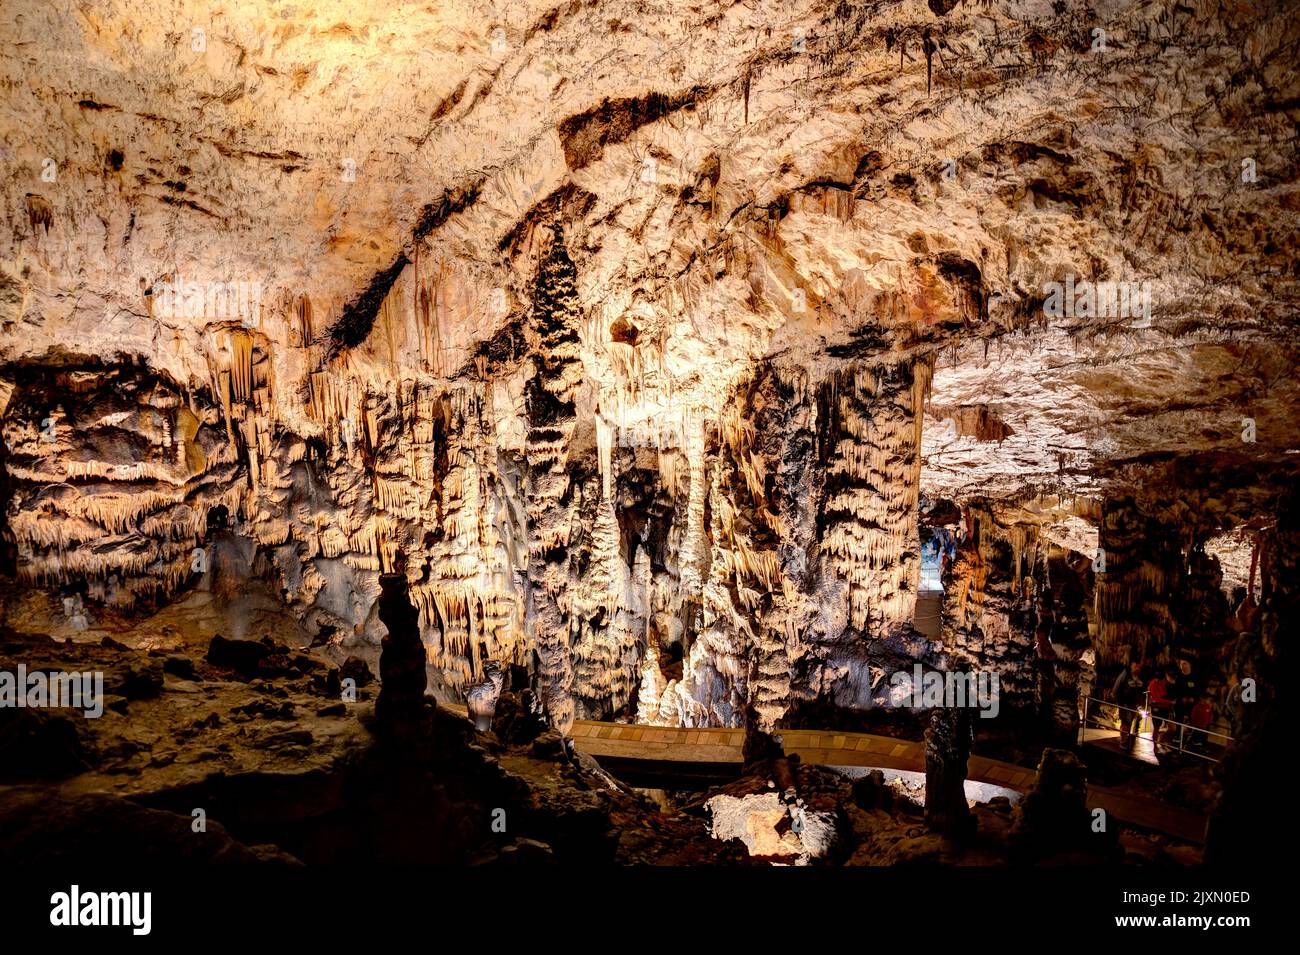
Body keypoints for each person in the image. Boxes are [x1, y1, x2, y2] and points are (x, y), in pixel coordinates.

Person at [1111, 660, 1145, 752]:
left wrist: (1142, 704)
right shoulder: (1125, 675)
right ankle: (1123, 741)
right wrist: (1115, 696)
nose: (1137, 668)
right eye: (1135, 666)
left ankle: (1130, 741)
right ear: (1131, 666)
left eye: (1139, 666)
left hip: (1135, 704)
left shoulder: (1140, 677)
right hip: (1125, 702)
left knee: (1133, 723)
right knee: (1125, 722)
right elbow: (1117, 685)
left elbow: (1142, 691)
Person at [1147, 667, 1176, 751]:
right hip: (1157, 707)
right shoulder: (1153, 683)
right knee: (1156, 727)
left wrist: (1170, 703)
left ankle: (1161, 741)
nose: (1159, 680)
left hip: (1166, 707)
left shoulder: (1165, 682)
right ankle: (1155, 746)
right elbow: (1156, 698)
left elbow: (1166, 693)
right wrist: (1170, 702)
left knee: (1170, 727)